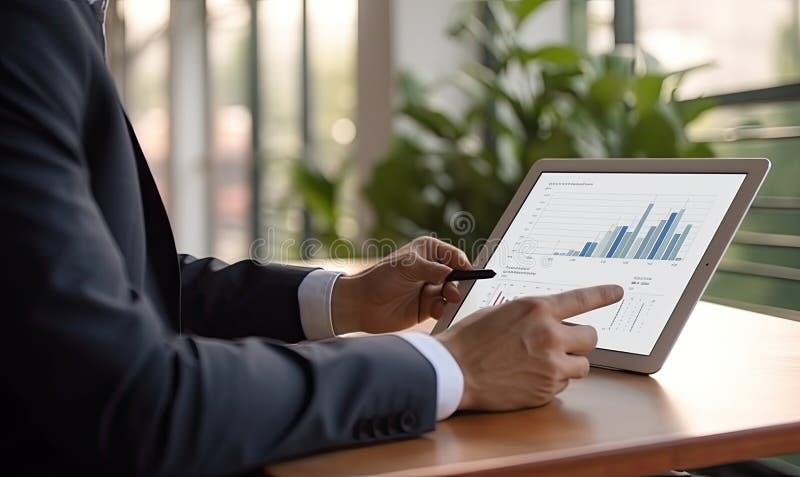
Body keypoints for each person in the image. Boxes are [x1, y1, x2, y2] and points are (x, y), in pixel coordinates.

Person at [0, 1, 623, 476]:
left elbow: (114, 284)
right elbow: (129, 398)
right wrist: (453, 366)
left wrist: (346, 301)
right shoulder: (26, 25)